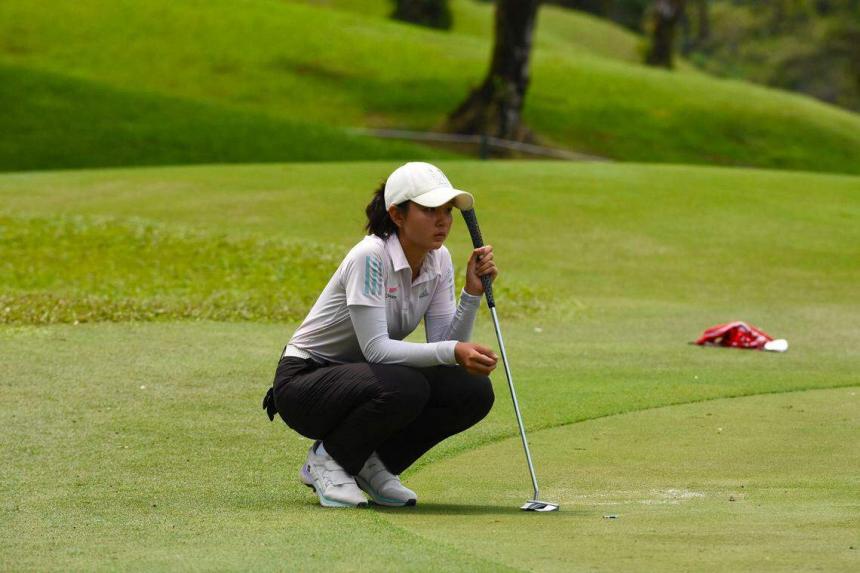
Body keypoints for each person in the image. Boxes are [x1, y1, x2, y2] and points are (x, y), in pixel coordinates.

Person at [262, 162, 500, 508]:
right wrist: (453, 352)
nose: (443, 220)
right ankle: (327, 461)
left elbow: (445, 347)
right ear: (397, 215)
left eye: (447, 211)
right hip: (305, 383)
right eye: (429, 210)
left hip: (366, 380)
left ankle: (372, 465)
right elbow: (376, 350)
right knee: (406, 385)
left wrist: (471, 294)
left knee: (471, 390)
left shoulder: (439, 259)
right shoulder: (370, 256)